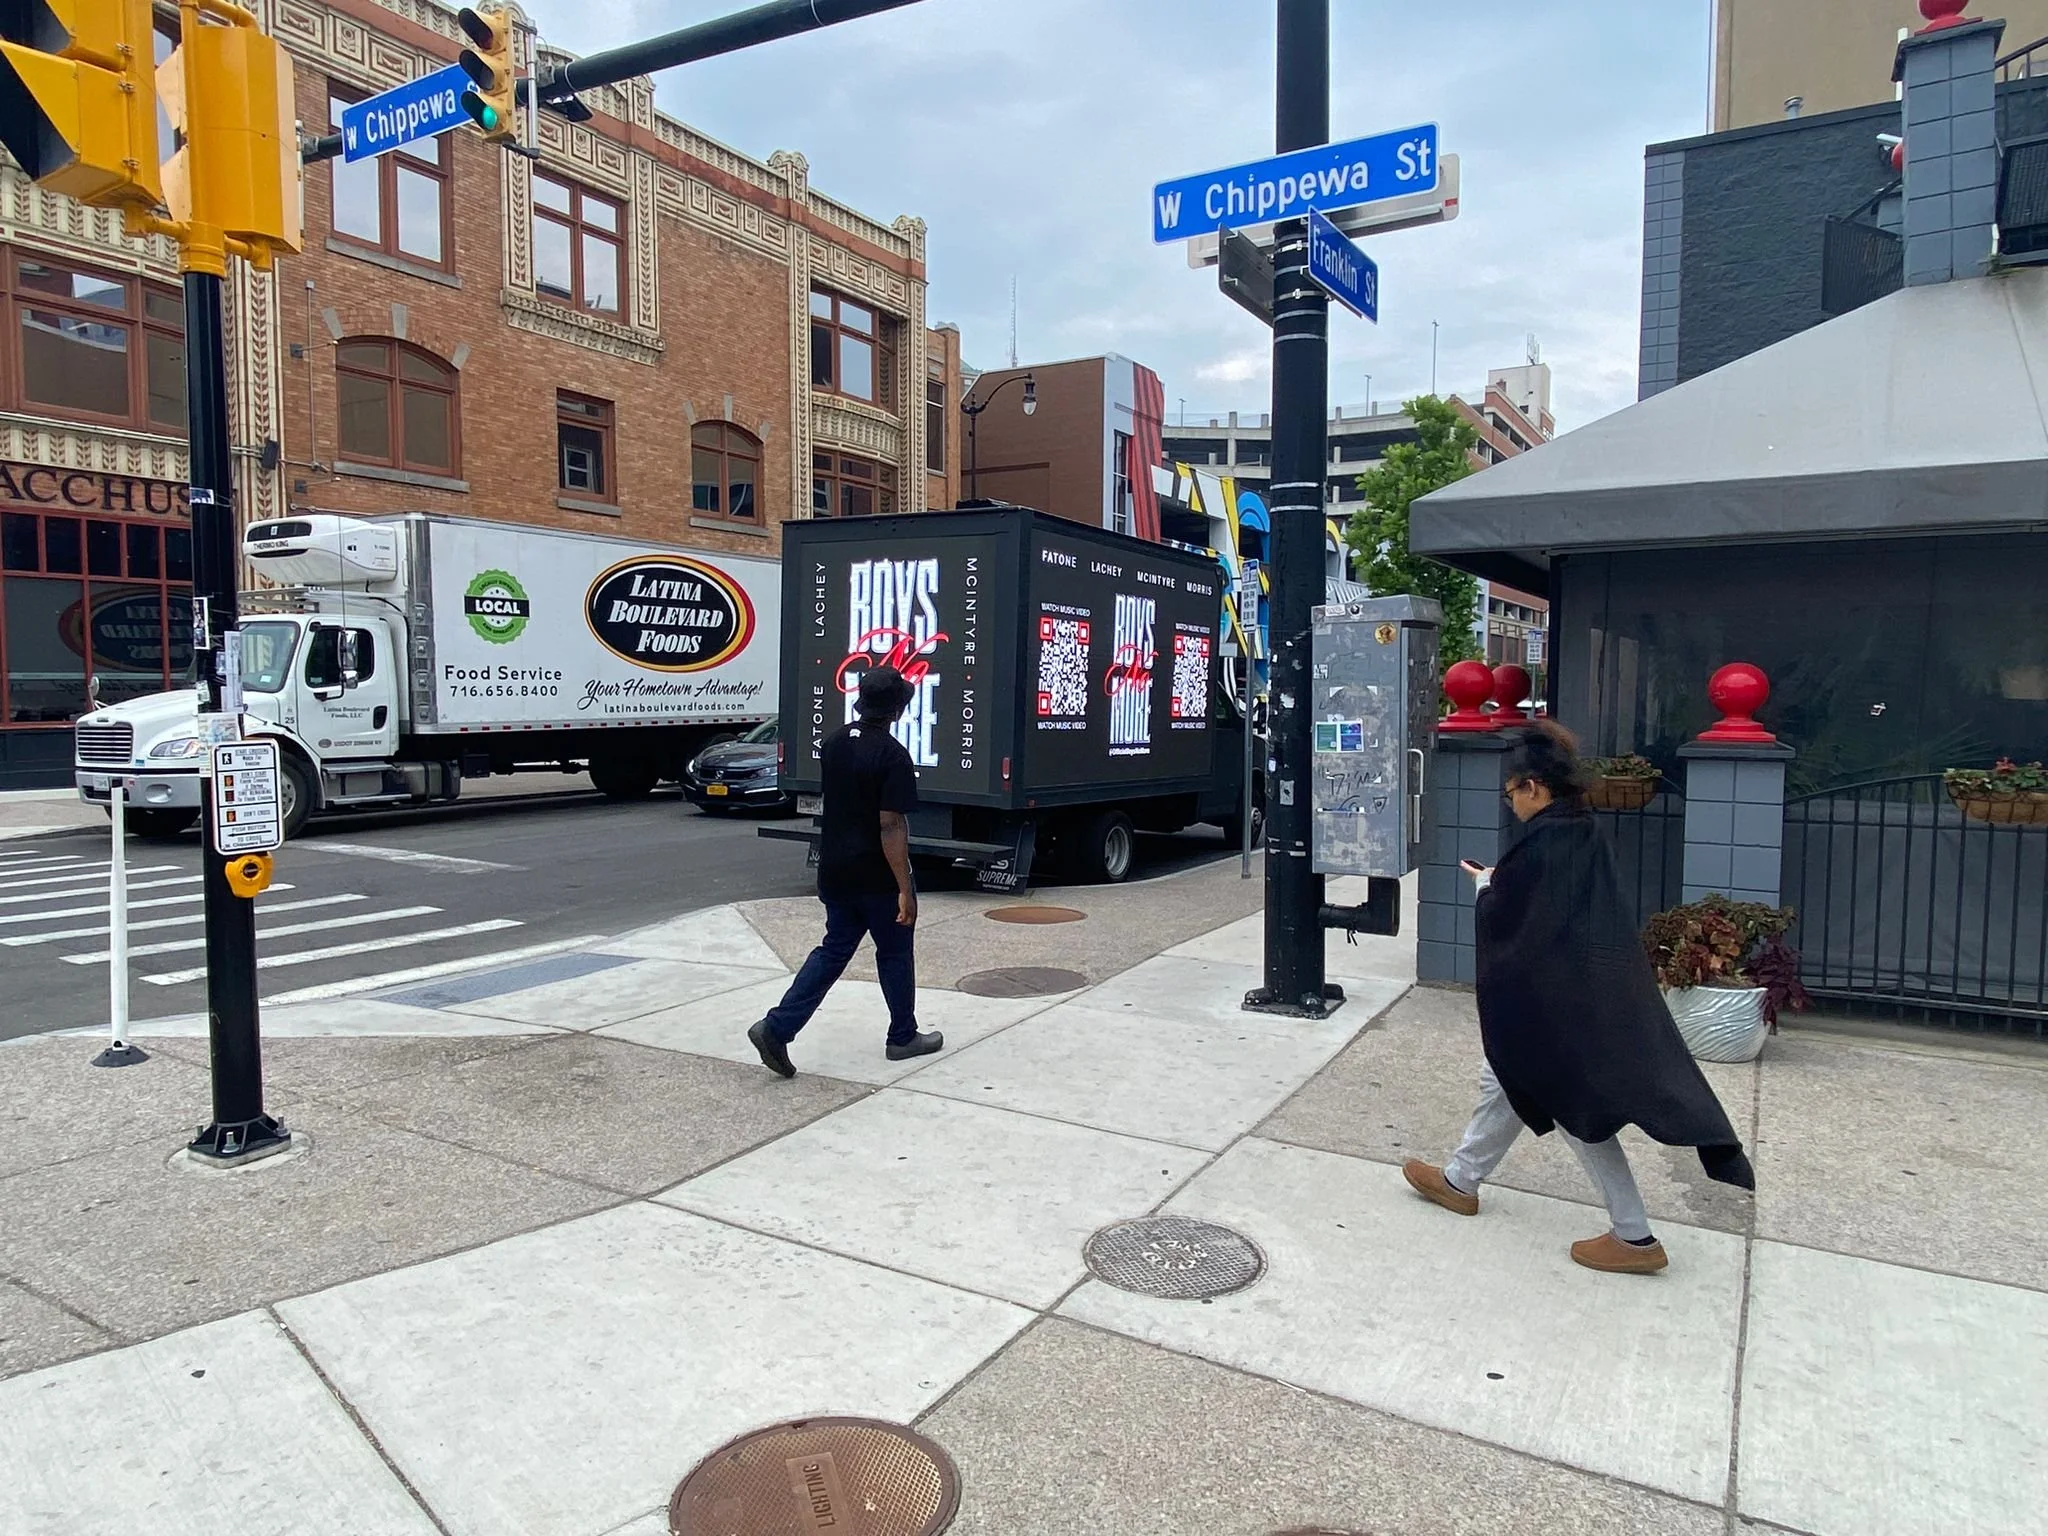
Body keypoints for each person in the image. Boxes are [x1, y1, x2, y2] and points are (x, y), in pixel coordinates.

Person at [1403, 720, 1756, 1274]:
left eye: (1511, 792)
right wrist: (1505, 883)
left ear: (1534, 787)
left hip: (1560, 1006)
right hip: (1576, 993)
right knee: (1506, 1079)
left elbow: (1517, 919)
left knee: (1568, 1104)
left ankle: (1634, 1236)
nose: (1510, 802)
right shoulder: (1576, 830)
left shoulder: (1549, 840)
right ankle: (1460, 1180)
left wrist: (1487, 888)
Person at [748, 665, 942, 1078]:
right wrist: (904, 887)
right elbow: (889, 825)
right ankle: (903, 1036)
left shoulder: (834, 743)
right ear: (897, 709)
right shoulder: (892, 756)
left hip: (835, 869)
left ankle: (777, 1027)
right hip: (875, 875)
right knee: (893, 951)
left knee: (834, 949)